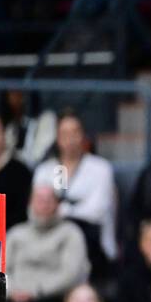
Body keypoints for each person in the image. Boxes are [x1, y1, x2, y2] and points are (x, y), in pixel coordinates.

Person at [31, 110, 119, 263]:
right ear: (57, 138)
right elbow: (35, 211)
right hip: (51, 247)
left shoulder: (100, 168)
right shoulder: (46, 170)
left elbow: (96, 211)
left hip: (93, 248)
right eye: (64, 133)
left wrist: (61, 209)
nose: (70, 139)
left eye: (75, 132)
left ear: (83, 136)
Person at [4, 184, 91, 302]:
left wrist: (35, 291)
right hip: (13, 298)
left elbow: (71, 274)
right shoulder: (15, 234)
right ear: (30, 203)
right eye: (39, 200)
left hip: (52, 300)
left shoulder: (71, 233)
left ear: (57, 204)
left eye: (48, 200)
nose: (44, 205)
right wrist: (12, 291)